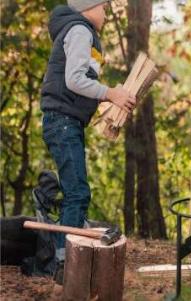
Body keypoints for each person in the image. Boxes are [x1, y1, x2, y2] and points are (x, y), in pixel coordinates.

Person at [40, 0, 135, 284]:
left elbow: (79, 84)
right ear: (87, 7)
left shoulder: (81, 31)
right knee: (77, 193)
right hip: (63, 122)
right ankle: (64, 262)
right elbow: (75, 80)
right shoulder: (80, 30)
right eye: (103, 7)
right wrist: (111, 94)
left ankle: (67, 254)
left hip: (67, 122)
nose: (106, 13)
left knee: (76, 190)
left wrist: (106, 105)